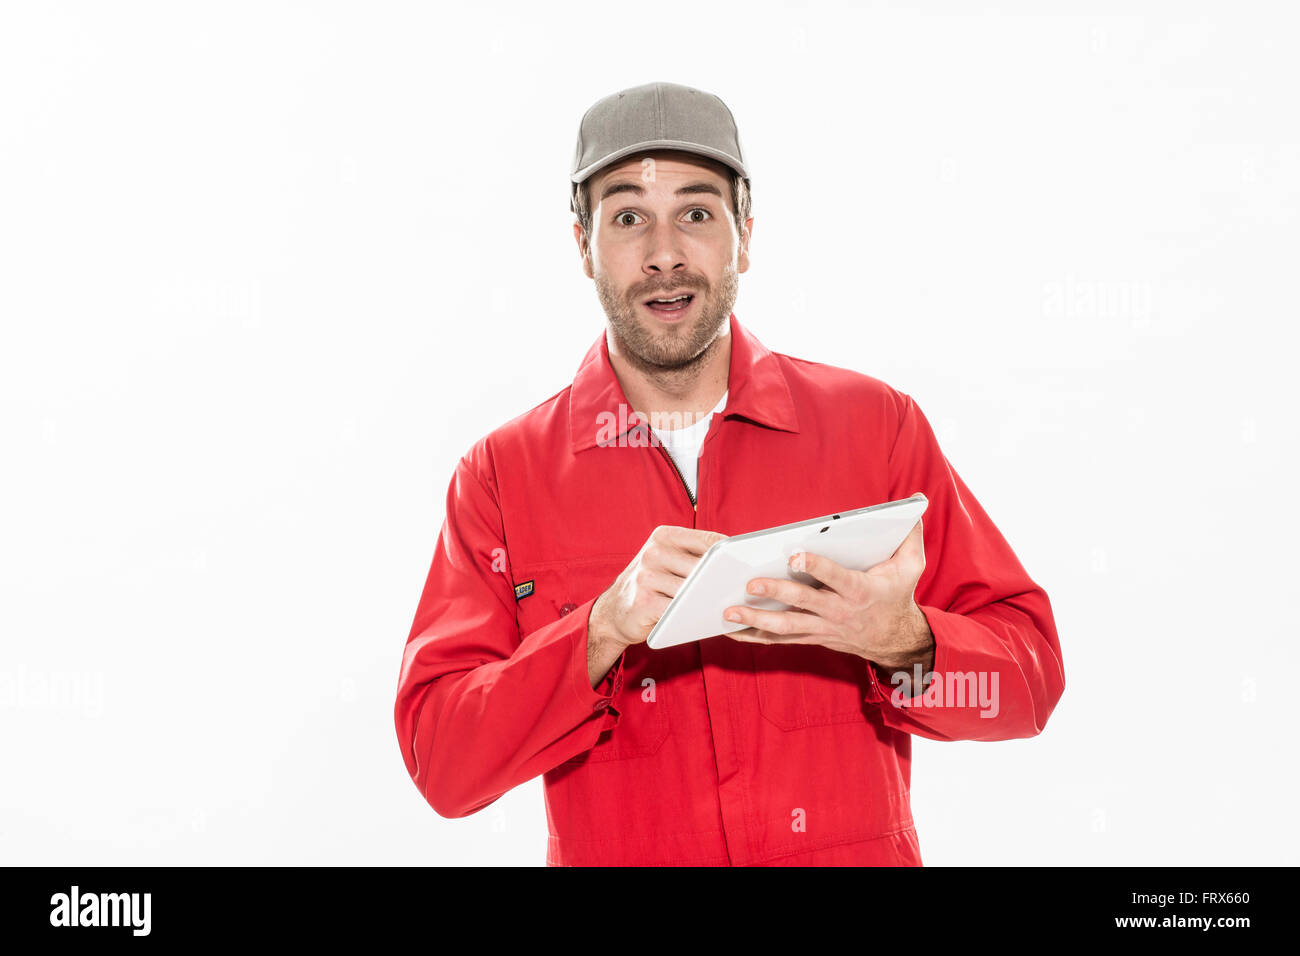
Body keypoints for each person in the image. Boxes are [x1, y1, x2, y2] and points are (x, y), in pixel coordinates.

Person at [393, 81, 1065, 866]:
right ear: (582, 244)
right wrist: (602, 628)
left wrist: (906, 641)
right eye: (628, 217)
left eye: (698, 213)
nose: (665, 252)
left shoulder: (874, 429)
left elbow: (1030, 682)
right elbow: (443, 763)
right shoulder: (503, 477)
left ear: (745, 235)